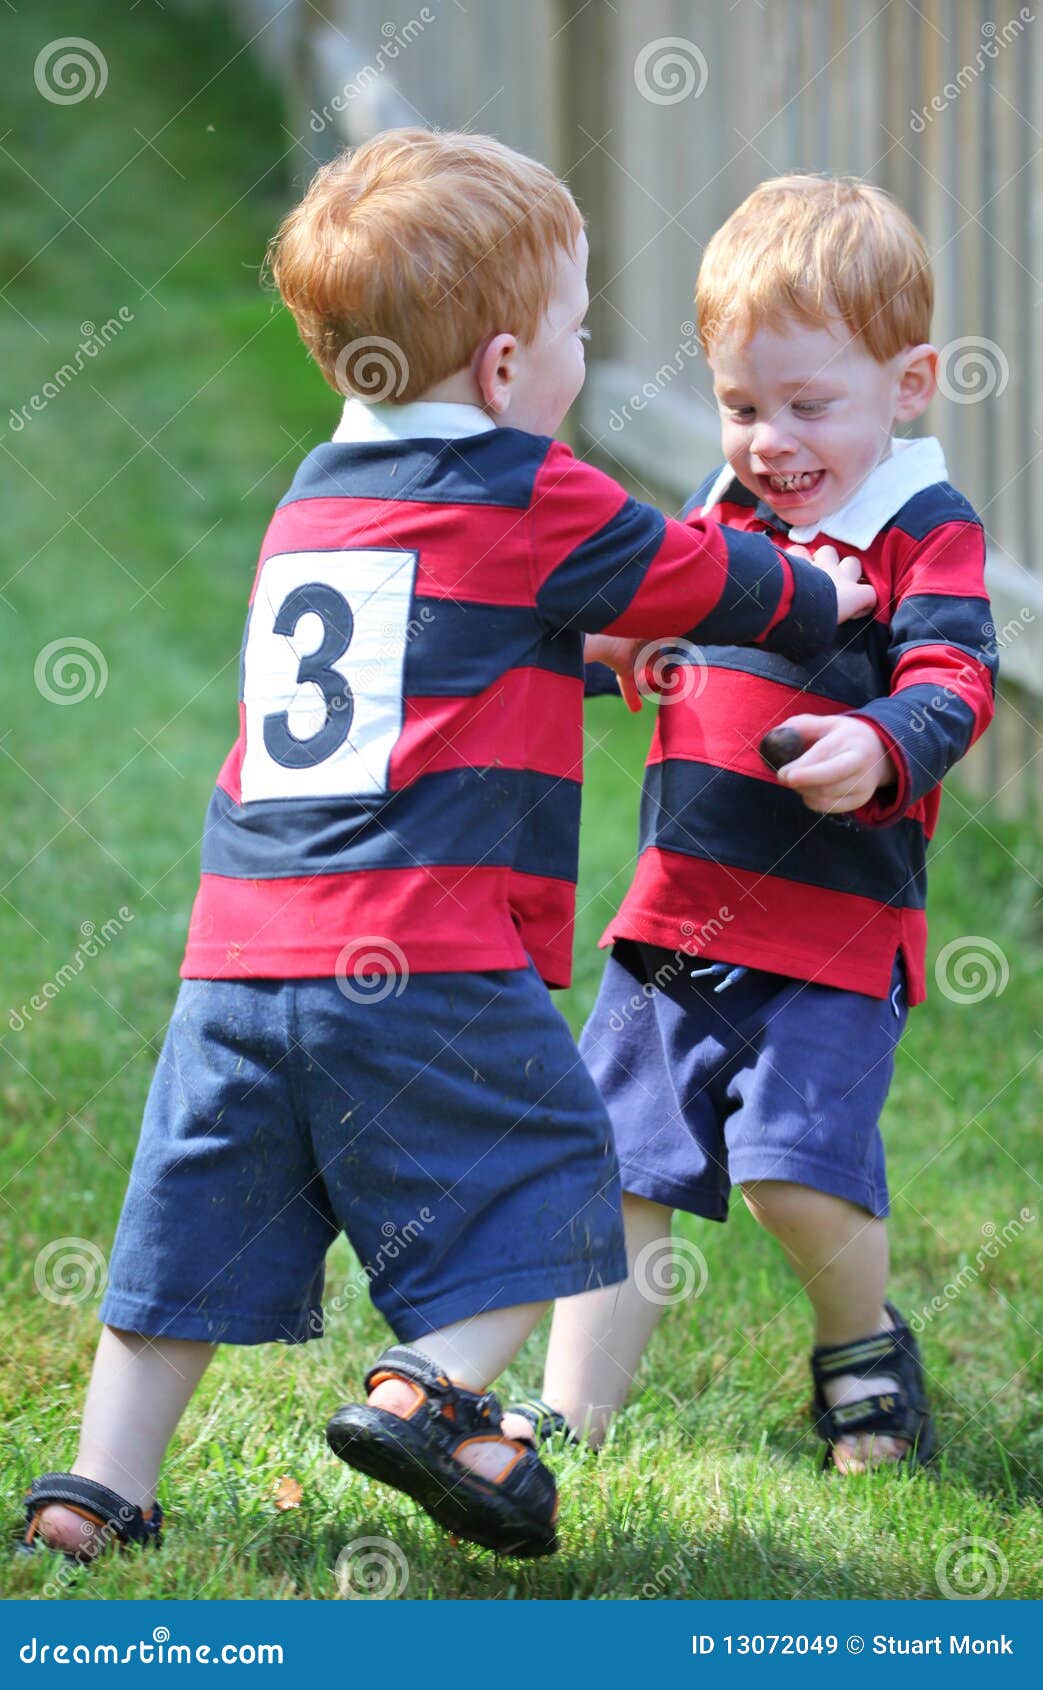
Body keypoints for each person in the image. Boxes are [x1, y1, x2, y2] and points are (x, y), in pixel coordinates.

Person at [18, 140, 869, 1566]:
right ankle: (435, 1386)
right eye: (579, 334)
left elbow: (445, 661)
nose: (583, 360)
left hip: (239, 955)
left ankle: (94, 1487)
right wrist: (819, 593)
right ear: (499, 368)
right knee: (555, 1158)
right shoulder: (532, 487)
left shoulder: (314, 500)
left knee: (197, 1219)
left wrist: (600, 661)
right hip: (421, 944)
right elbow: (708, 575)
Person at [539, 174, 996, 1475]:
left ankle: (860, 1347)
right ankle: (573, 1421)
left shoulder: (922, 528)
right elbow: (651, 617)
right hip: (677, 909)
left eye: (810, 405)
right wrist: (567, 654)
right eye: (743, 406)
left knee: (795, 1171)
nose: (771, 440)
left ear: (907, 384)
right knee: (621, 1169)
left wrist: (882, 741)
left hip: (837, 931)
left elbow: (956, 677)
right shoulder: (727, 514)